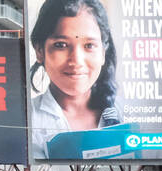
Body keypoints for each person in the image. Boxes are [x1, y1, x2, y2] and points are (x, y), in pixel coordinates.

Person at [27, 0, 122, 162]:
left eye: (89, 45)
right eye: (61, 45)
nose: (76, 61)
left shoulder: (128, 115)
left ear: (103, 53)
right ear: (39, 51)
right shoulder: (27, 119)